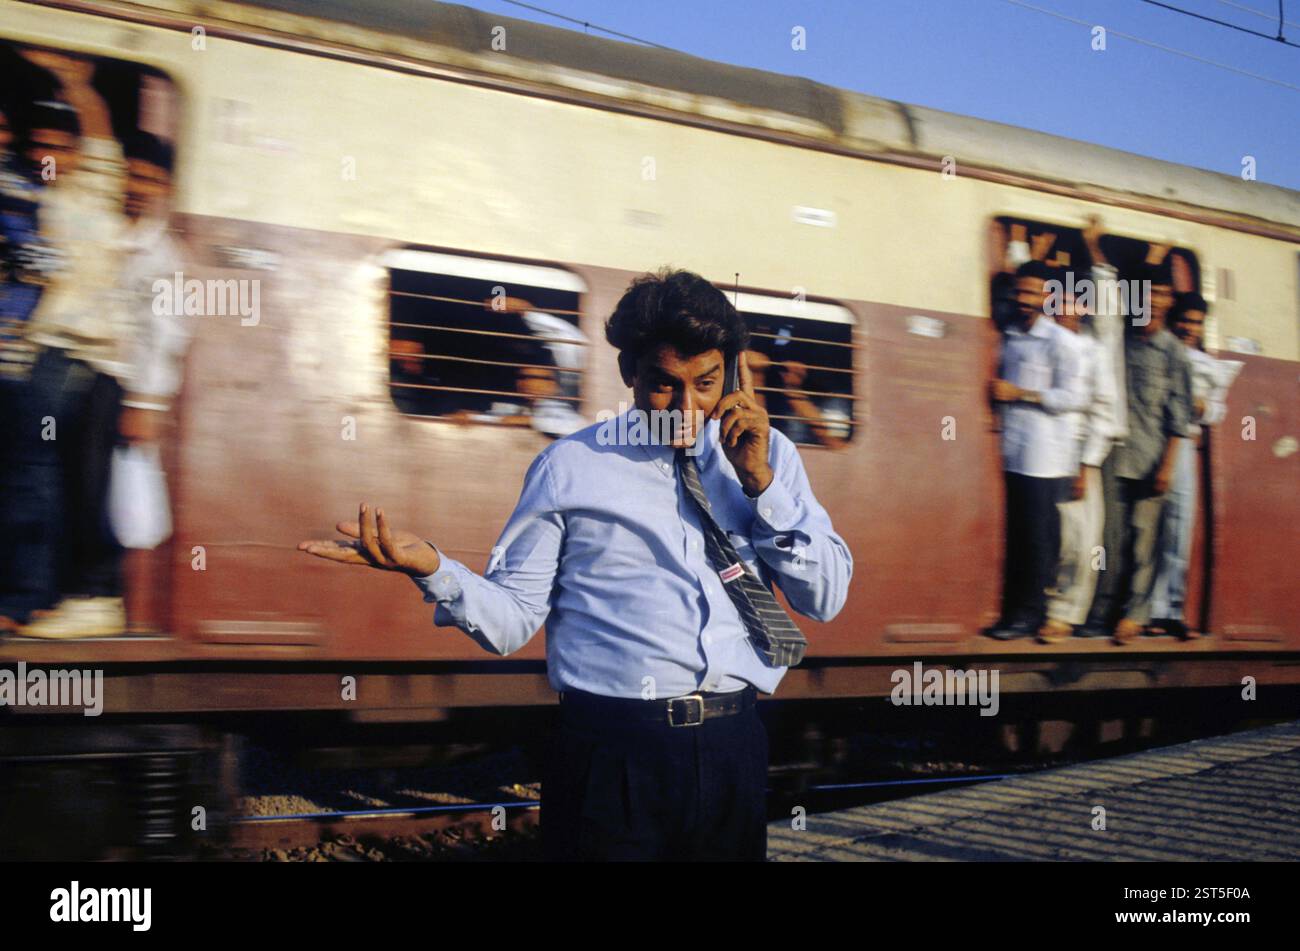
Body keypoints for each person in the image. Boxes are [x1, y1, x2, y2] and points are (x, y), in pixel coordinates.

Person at [300, 267, 853, 861]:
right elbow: (511, 624)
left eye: (707, 383)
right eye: (664, 385)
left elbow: (824, 598)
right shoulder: (570, 468)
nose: (688, 409)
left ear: (734, 373)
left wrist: (762, 486)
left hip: (732, 746)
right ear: (629, 374)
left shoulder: (769, 457)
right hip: (610, 755)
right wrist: (432, 567)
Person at [0, 51, 131, 637]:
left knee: (37, 469)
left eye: (60, 145)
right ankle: (38, 594)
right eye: (40, 145)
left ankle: (37, 598)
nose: (47, 155)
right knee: (39, 469)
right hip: (47, 347)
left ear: (77, 153)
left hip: (73, 349)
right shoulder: (39, 195)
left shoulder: (95, 193)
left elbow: (101, 137)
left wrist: (77, 82)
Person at [1085, 248, 1194, 646]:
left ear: (1169, 301)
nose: (1155, 301)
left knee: (1145, 540)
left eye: (1163, 294)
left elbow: (1181, 420)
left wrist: (1167, 468)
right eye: (1149, 293)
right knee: (1111, 538)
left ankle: (1135, 614)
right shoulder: (1121, 341)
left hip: (1152, 460)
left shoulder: (1174, 354)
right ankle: (1103, 613)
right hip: (1116, 455)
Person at [986, 259, 1088, 640]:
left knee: (1037, 540)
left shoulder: (1063, 343)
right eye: (1021, 292)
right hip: (1014, 451)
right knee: (1017, 537)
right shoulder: (1011, 336)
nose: (1025, 299)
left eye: (1033, 292)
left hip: (1044, 457)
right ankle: (1013, 613)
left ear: (1049, 297)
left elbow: (1073, 398)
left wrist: (1021, 394)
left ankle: (1030, 615)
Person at [1148, 293, 1240, 638]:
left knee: (1177, 525)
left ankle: (1167, 610)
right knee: (1142, 529)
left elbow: (1218, 411)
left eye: (1196, 322)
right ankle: (1136, 609)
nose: (1189, 327)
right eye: (1185, 320)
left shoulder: (1205, 363)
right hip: (1149, 438)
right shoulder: (1158, 348)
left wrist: (1204, 409)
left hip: (1183, 445)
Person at [1037, 285, 1118, 644]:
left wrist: (1087, 465)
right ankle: (1039, 607)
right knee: (1047, 537)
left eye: (1071, 302)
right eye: (1057, 303)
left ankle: (1064, 613)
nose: (1064, 310)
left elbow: (1103, 411)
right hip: (1039, 451)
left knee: (1081, 542)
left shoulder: (1094, 352)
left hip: (1077, 457)